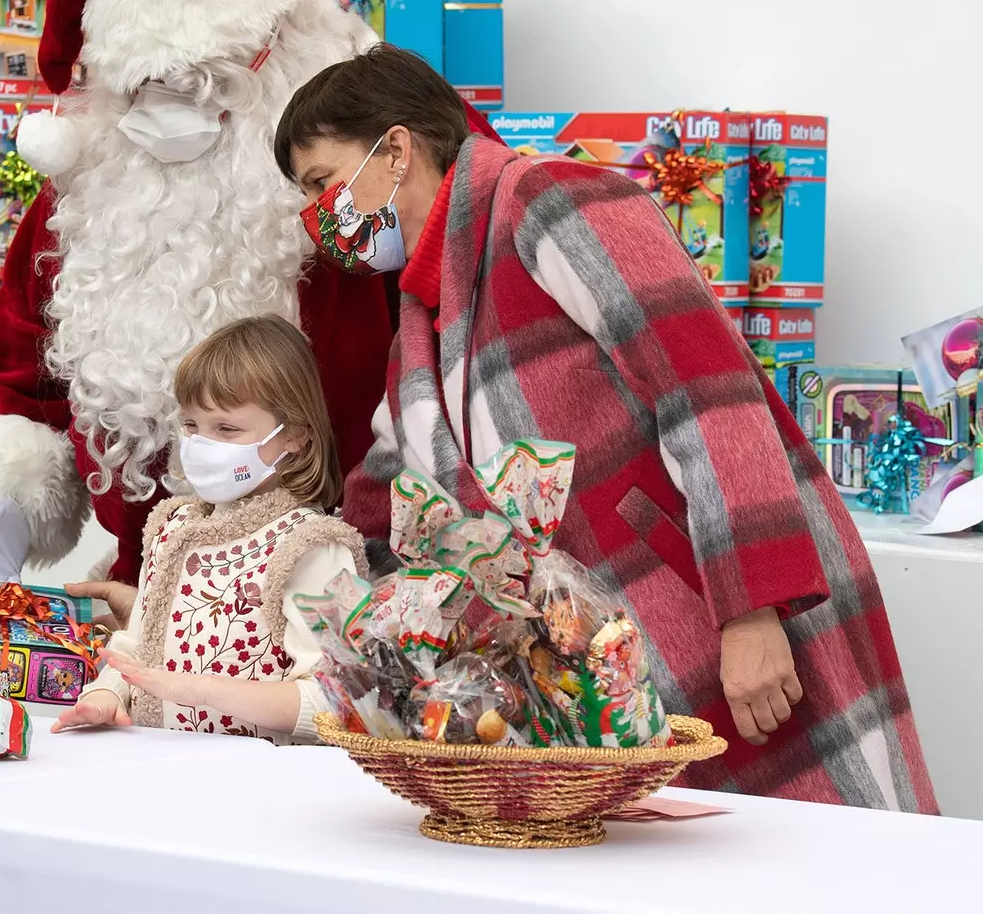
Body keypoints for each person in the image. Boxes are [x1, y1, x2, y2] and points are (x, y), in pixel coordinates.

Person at [274, 44, 937, 812]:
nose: (322, 214)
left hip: (711, 615)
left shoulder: (549, 200)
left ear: (395, 149)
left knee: (816, 849)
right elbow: (379, 502)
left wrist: (752, 607)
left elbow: (710, 394)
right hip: (600, 668)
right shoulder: (420, 324)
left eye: (325, 182)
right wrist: (256, 573)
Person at [0, 0, 505, 592]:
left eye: (209, 82)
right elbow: (21, 384)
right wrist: (8, 500)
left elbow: (501, 269)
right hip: (152, 593)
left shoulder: (379, 149)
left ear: (275, 44)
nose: (173, 113)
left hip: (359, 587)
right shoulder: (86, 193)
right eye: (147, 89)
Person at [52, 315, 364, 741]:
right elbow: (137, 646)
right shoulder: (172, 527)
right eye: (192, 426)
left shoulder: (314, 548)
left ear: (294, 434)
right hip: (162, 771)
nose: (201, 445)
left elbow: (336, 700)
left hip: (258, 787)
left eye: (227, 429)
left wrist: (200, 690)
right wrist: (108, 691)